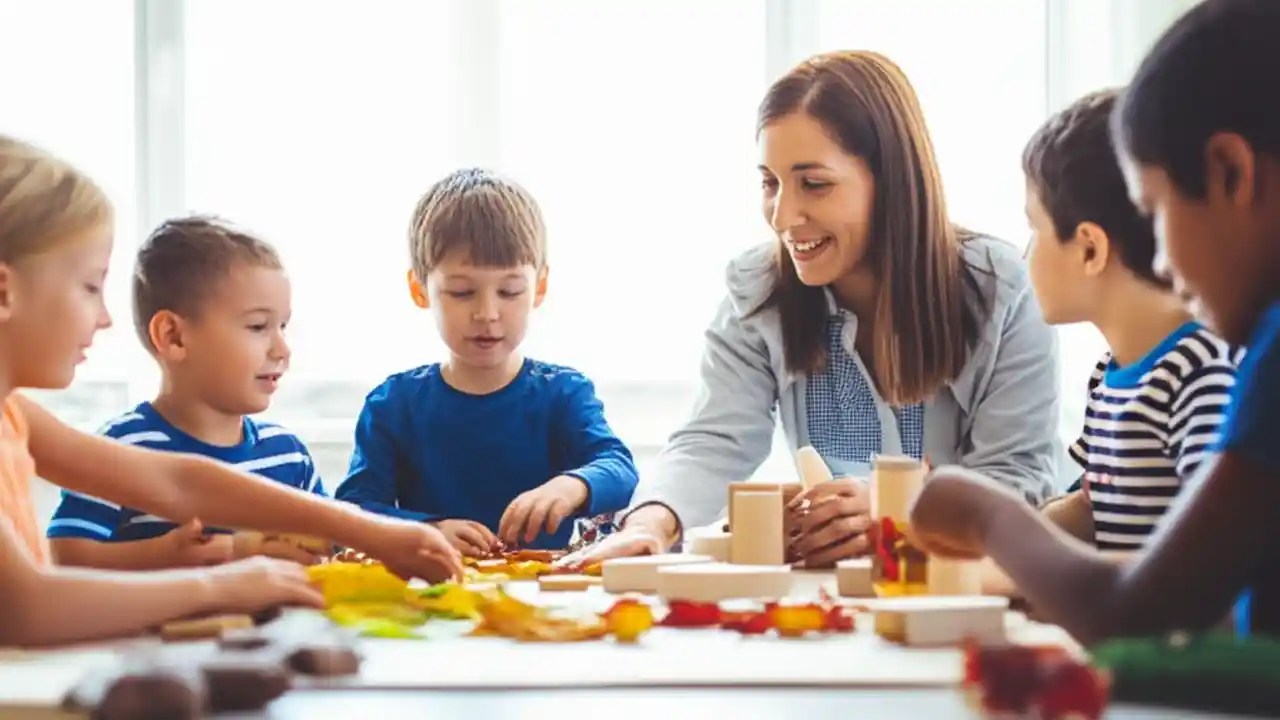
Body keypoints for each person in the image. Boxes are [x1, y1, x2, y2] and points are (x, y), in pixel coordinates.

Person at [563, 50, 1060, 569]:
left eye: (814, 184)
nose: (783, 216)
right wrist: (649, 525)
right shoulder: (758, 291)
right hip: (832, 584)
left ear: (890, 180)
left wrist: (897, 507)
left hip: (963, 583)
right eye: (769, 182)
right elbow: (713, 439)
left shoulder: (998, 288)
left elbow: (1019, 478)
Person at [910, 0, 1280, 643]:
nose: (1158, 257)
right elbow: (1094, 507)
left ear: (1231, 174)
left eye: (1156, 211)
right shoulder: (1121, 372)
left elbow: (1144, 606)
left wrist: (983, 510)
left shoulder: (1246, 365)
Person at [0, 134, 461, 645]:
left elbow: (180, 484)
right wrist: (222, 584)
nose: (106, 317)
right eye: (90, 286)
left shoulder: (14, 415)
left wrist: (369, 530)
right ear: (5, 291)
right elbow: (27, 608)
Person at [336, 168, 639, 554]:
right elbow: (354, 510)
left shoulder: (563, 392)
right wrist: (428, 529)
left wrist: (570, 485)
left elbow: (619, 468)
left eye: (510, 291)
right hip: (433, 594)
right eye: (462, 293)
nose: (487, 313)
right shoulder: (392, 404)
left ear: (539, 288)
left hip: (543, 592)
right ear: (420, 290)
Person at [1022, 89, 1238, 553]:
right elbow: (1089, 508)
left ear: (1089, 249)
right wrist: (994, 538)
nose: (1026, 256)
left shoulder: (1200, 372)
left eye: (1033, 230)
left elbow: (1206, 560)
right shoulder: (1109, 374)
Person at [48, 216, 330, 569]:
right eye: (258, 326)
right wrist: (164, 557)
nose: (282, 349)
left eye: (283, 326)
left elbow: (330, 549)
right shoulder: (119, 452)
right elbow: (66, 557)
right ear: (173, 336)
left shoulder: (290, 458)